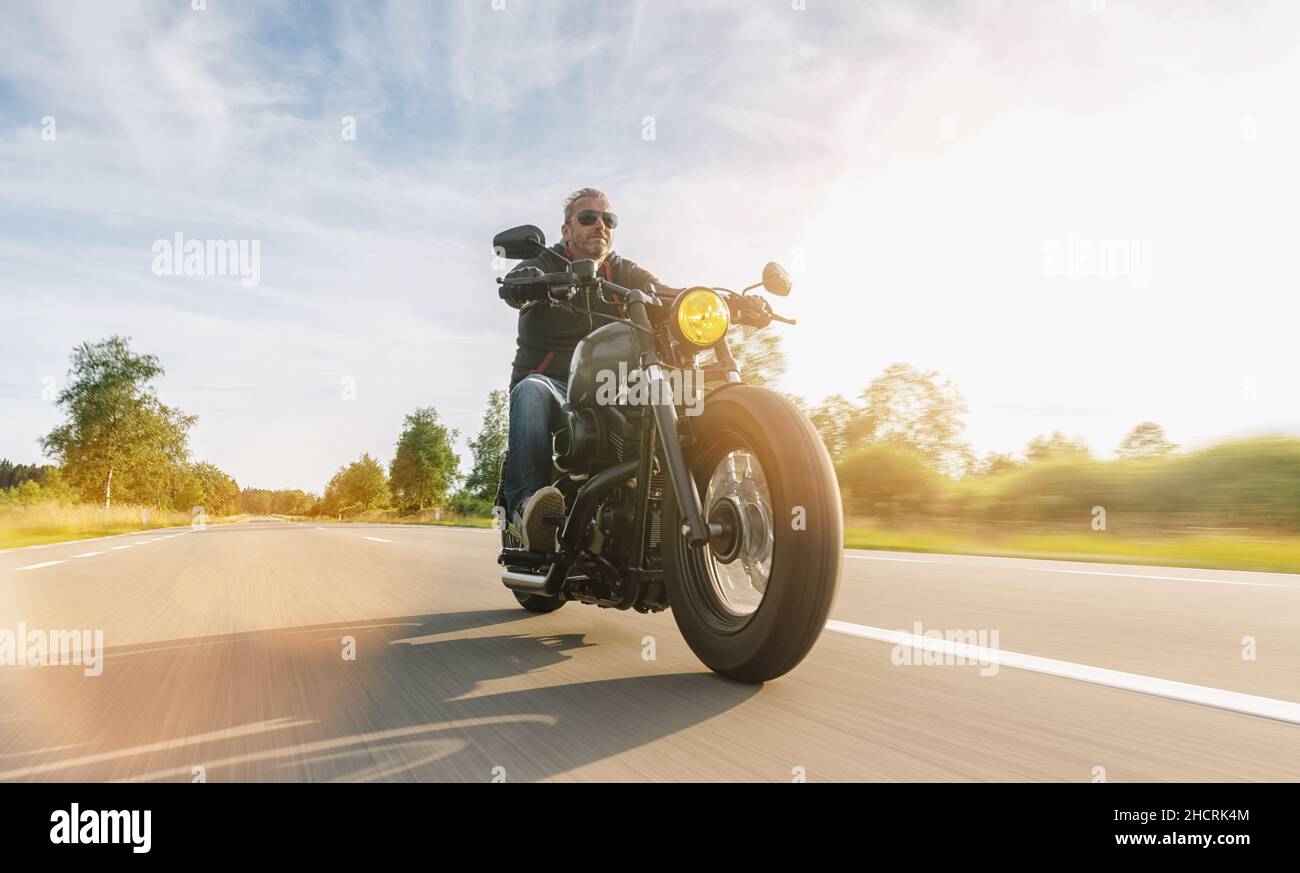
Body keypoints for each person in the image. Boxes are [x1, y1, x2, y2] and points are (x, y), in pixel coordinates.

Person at [499, 187, 676, 551]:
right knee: (530, 391)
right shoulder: (546, 262)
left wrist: (715, 302)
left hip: (612, 388)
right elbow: (515, 285)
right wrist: (526, 283)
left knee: (680, 394)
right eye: (588, 218)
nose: (600, 225)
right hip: (556, 386)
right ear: (567, 230)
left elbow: (665, 292)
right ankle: (524, 511)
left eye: (608, 219)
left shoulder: (623, 271)